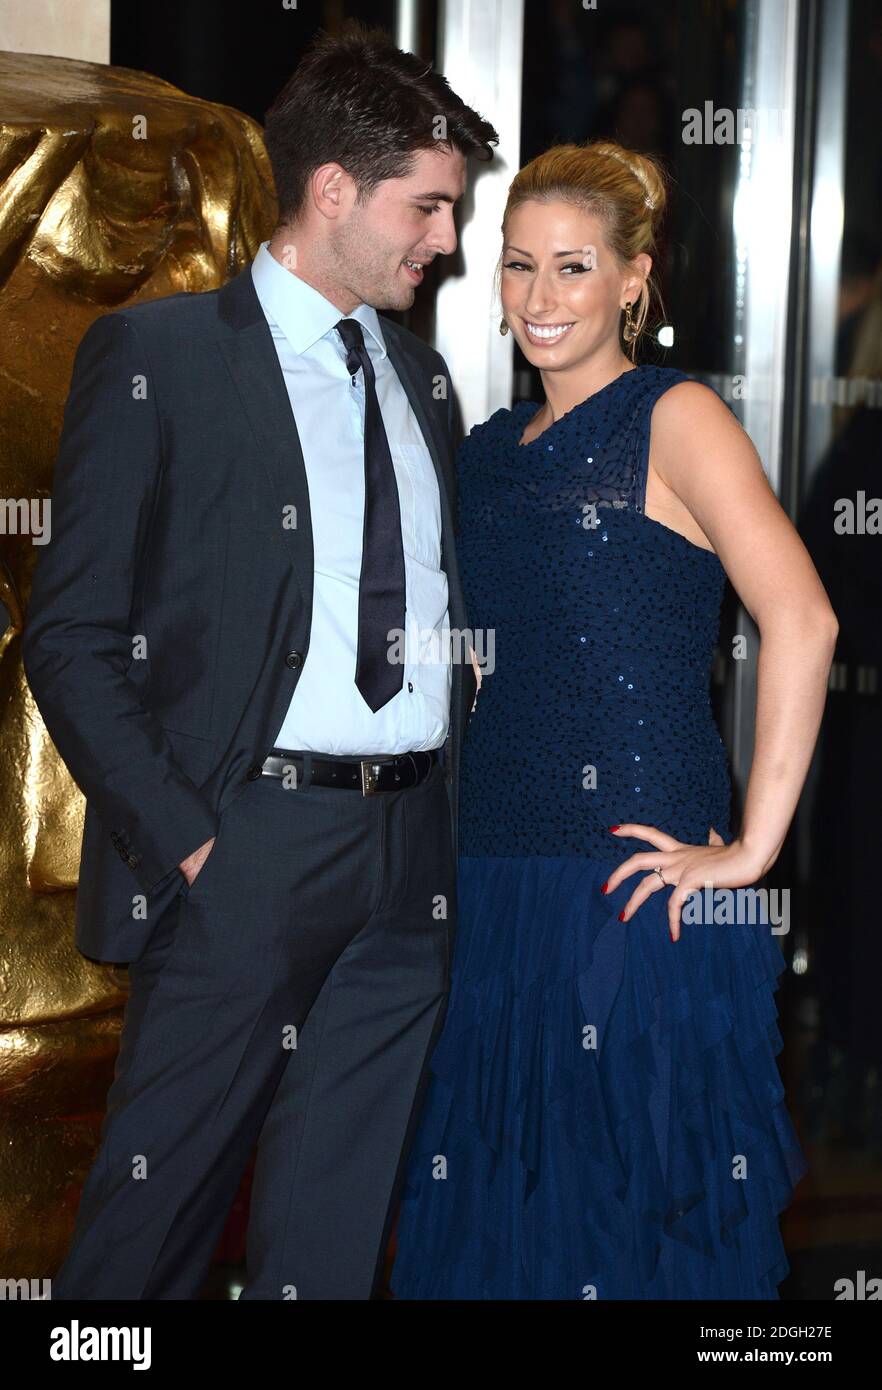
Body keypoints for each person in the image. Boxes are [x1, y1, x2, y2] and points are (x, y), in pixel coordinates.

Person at [22, 22, 496, 1300]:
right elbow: (67, 638)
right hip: (246, 850)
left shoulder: (421, 375)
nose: (447, 241)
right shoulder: (160, 360)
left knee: (333, 1244)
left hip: (407, 865)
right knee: (144, 1237)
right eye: (431, 208)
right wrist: (190, 839)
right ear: (332, 190)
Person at [391, 140, 835, 1300]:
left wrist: (753, 847)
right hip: (495, 880)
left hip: (636, 886)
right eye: (517, 266)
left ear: (634, 280)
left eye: (573, 268)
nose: (540, 300)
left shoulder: (674, 417)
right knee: (512, 1218)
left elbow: (803, 619)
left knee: (635, 1221)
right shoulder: (489, 453)